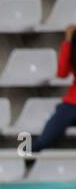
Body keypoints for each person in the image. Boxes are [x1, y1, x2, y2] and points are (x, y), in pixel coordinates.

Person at [33, 25, 76, 154]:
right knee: (45, 139)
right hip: (71, 104)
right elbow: (62, 73)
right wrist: (68, 41)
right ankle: (19, 159)